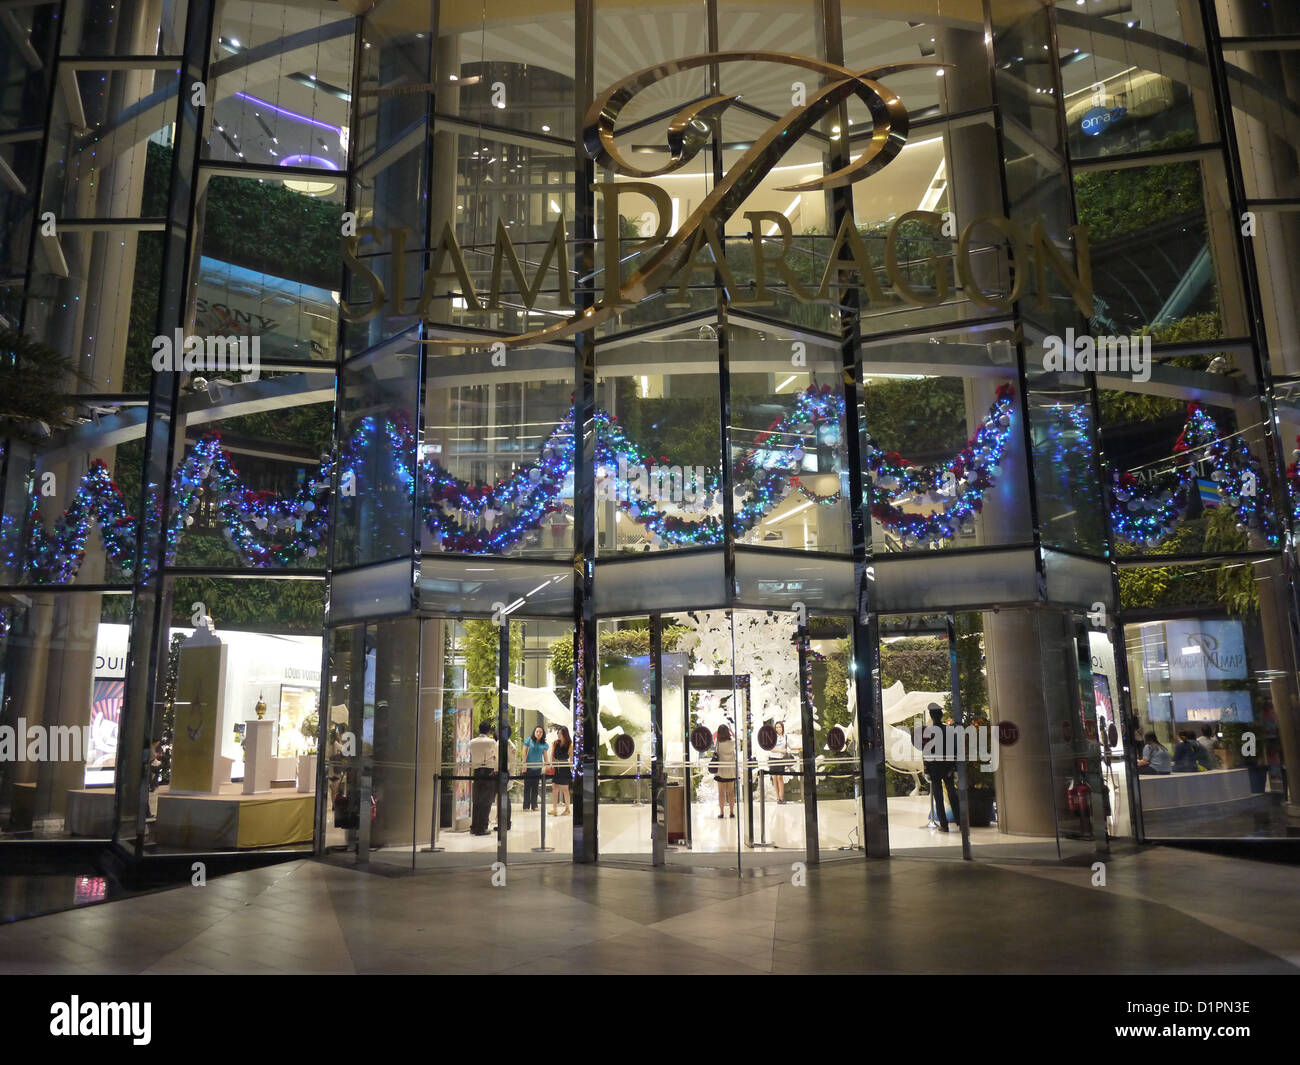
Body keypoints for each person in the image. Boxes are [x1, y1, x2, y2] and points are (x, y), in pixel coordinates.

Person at [922, 703, 960, 832]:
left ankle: (944, 825)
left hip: (934, 769)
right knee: (952, 795)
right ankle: (959, 821)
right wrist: (955, 768)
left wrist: (926, 770)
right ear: (941, 715)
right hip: (948, 767)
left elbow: (926, 753)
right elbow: (955, 751)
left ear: (932, 716)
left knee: (938, 797)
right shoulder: (949, 730)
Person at [468, 721, 498, 835]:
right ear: (489, 731)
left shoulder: (472, 742)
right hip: (489, 771)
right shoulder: (491, 742)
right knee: (486, 800)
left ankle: (474, 826)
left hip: (476, 772)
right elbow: (496, 756)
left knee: (476, 799)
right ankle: (482, 827)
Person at [523, 725, 548, 811]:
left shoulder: (544, 744)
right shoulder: (529, 740)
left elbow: (545, 756)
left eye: (540, 732)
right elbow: (524, 752)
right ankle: (526, 806)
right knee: (527, 786)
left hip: (538, 768)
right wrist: (524, 764)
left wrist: (546, 765)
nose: (538, 733)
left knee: (535, 787)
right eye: (537, 731)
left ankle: (535, 805)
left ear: (542, 734)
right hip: (529, 767)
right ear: (534, 732)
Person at [715, 724, 737, 818]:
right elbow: (736, 739)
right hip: (731, 771)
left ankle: (722, 812)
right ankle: (732, 812)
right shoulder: (732, 742)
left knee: (721, 793)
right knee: (731, 792)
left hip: (721, 771)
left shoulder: (718, 742)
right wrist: (732, 731)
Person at [769, 721, 794, 804]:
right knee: (774, 778)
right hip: (773, 758)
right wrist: (781, 750)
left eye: (779, 727)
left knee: (780, 777)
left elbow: (791, 746)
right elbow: (771, 749)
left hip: (781, 759)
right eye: (776, 727)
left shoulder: (785, 737)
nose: (778, 728)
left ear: (782, 728)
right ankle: (777, 797)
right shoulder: (773, 737)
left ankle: (781, 797)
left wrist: (800, 748)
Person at [551, 725, 572, 816]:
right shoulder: (555, 743)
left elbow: (571, 759)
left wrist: (572, 768)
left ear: (564, 734)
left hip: (564, 767)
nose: (558, 735)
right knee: (554, 788)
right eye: (558, 733)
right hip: (556, 767)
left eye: (560, 733)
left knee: (565, 789)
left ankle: (567, 808)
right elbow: (552, 755)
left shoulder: (570, 745)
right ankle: (554, 809)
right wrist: (552, 764)